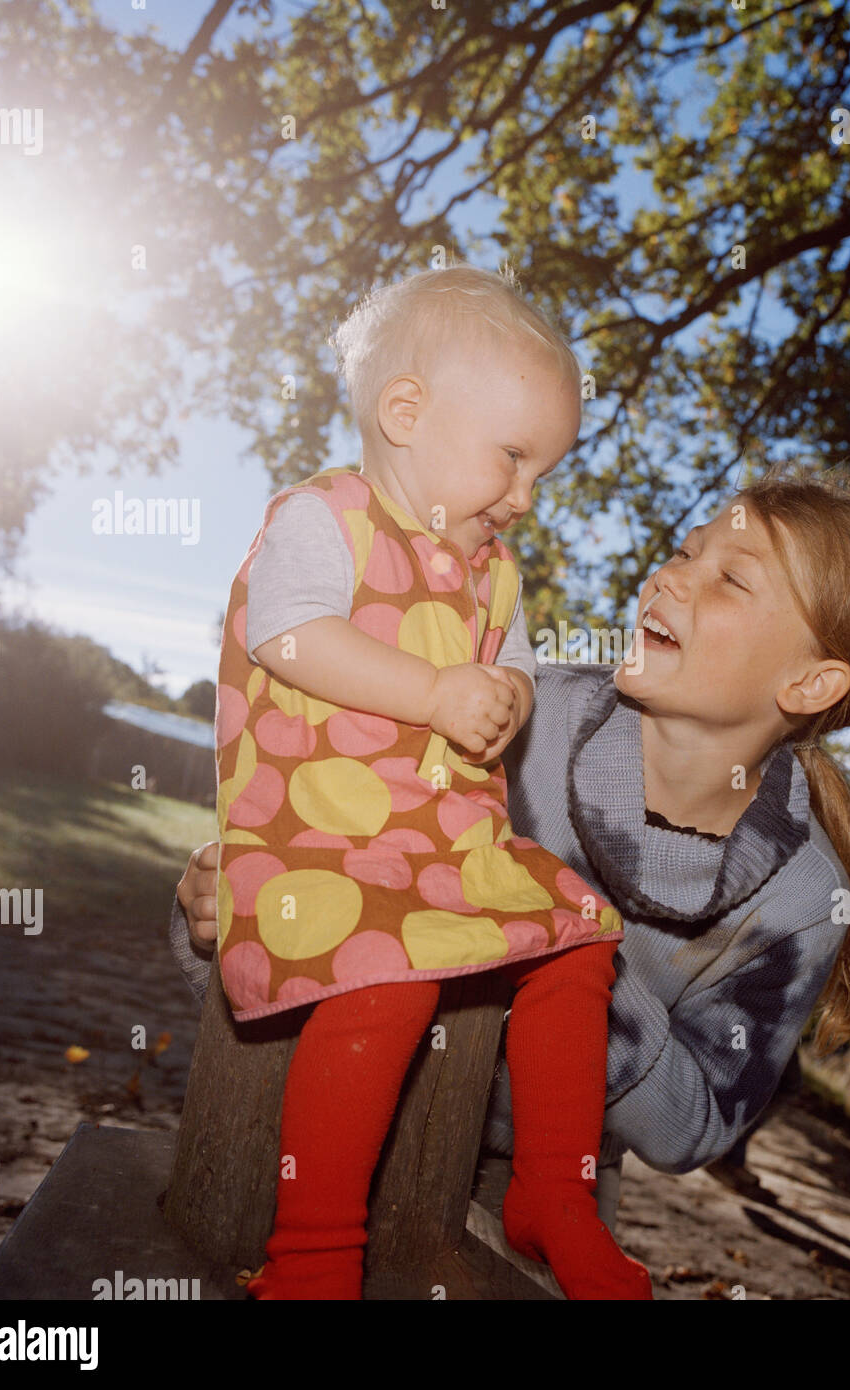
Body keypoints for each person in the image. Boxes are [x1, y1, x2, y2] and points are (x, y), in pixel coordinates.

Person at [176, 462, 850, 1275]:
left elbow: (697, 1129)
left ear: (809, 681)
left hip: (549, 1188)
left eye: (730, 581)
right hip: (349, 1131)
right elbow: (329, 864)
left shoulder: (804, 895)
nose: (671, 577)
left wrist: (564, 949)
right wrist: (228, 910)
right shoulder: (512, 714)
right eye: (684, 550)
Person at [209, 261, 652, 1300]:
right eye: (514, 458)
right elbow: (289, 637)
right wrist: (436, 690)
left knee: (582, 940)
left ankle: (554, 1192)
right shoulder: (326, 518)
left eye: (543, 472)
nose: (526, 498)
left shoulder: (498, 573)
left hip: (445, 845)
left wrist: (504, 692)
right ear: (406, 411)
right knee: (391, 976)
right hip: (324, 843)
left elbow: (515, 668)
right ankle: (310, 1254)